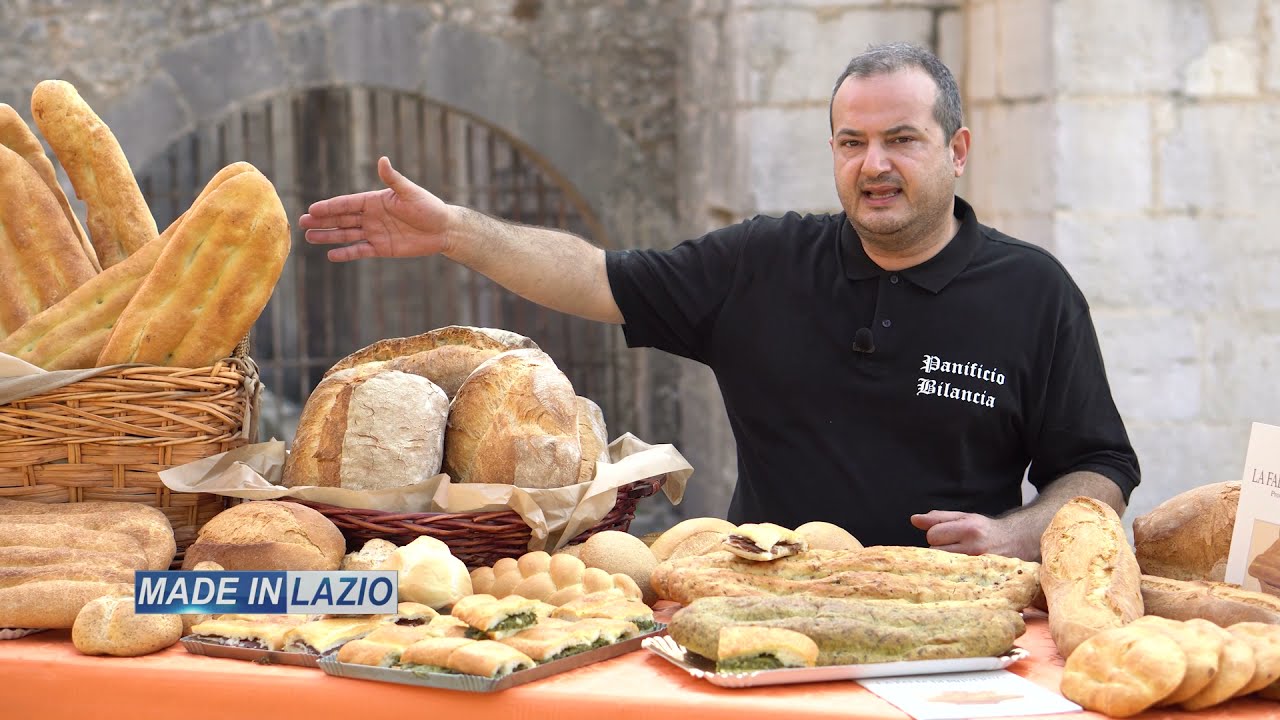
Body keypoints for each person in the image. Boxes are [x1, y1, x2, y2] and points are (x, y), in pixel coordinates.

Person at [299, 42, 1139, 562]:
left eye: (901, 140)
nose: (873, 165)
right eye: (852, 143)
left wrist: (1015, 534)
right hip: (761, 610)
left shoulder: (1033, 293)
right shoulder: (765, 261)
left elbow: (1100, 470)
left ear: (956, 150)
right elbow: (597, 278)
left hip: (959, 624)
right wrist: (457, 232)